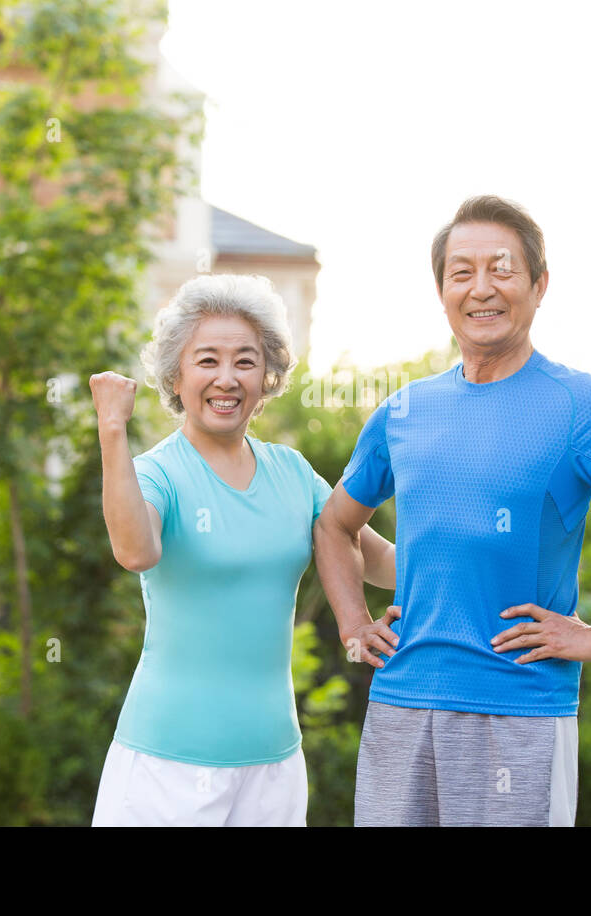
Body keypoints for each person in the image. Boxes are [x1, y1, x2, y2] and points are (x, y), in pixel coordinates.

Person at [314, 195, 591, 827]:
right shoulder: (402, 411)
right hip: (400, 705)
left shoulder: (577, 405)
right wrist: (353, 623)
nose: (481, 288)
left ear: (538, 286)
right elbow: (335, 525)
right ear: (442, 290)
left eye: (502, 269)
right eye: (462, 272)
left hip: (519, 711)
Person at [89, 273, 395, 827]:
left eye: (246, 361)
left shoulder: (293, 473)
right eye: (207, 360)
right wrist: (113, 429)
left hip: (274, 768)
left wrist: (477, 554)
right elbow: (135, 550)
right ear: (176, 376)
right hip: (166, 767)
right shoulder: (158, 472)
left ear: (268, 375)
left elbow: (378, 560)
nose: (226, 379)